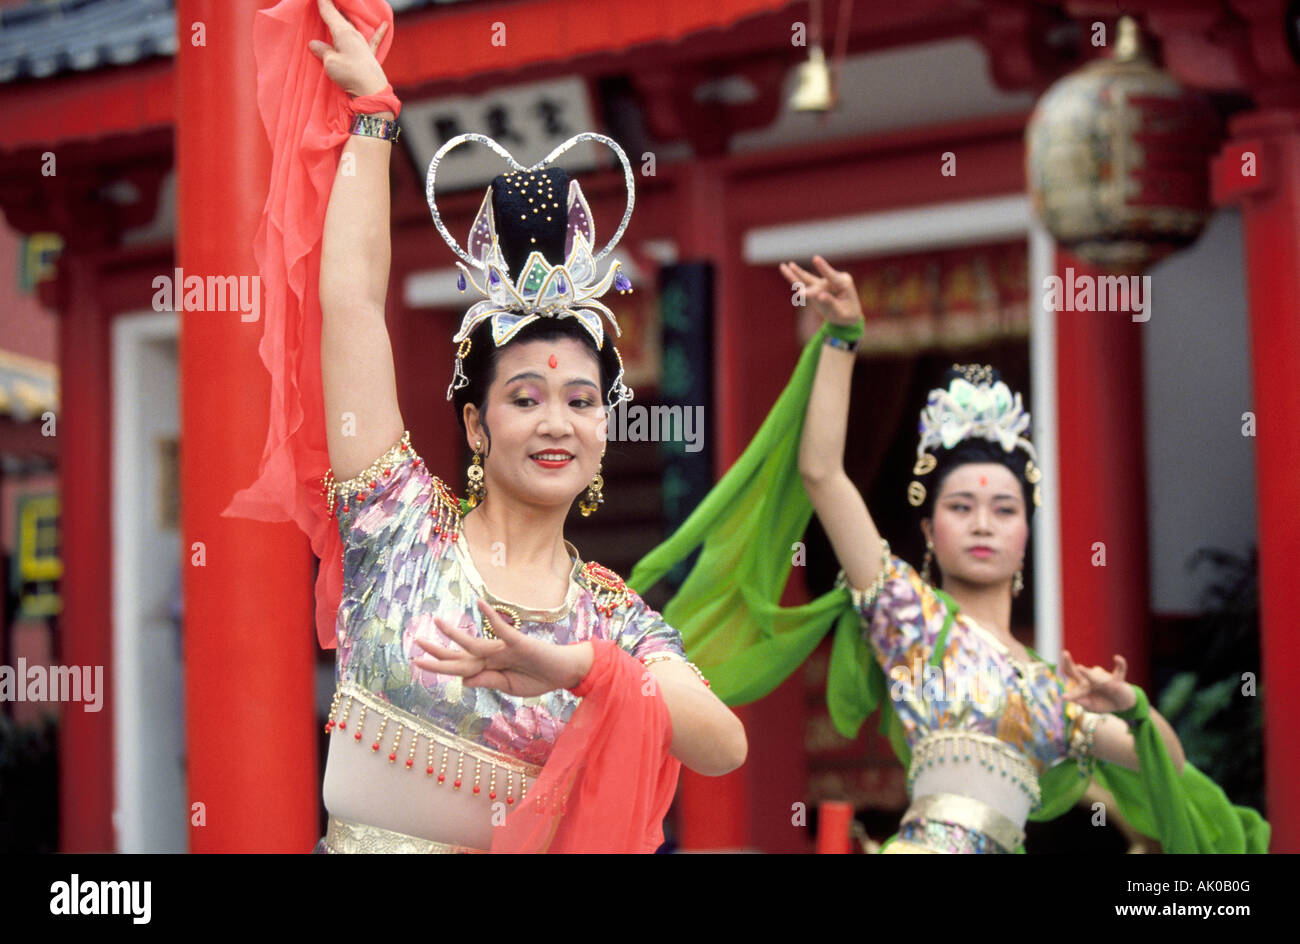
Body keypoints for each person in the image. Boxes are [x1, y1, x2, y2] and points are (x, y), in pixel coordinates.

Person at [236, 0, 745, 854]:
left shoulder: (611, 620)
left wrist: (577, 669)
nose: (559, 423)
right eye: (525, 399)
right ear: (475, 424)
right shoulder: (395, 524)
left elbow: (722, 745)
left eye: (583, 402)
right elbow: (352, 306)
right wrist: (370, 121)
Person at [628, 256, 1268, 853]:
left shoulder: (1054, 693)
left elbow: (1167, 765)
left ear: (1026, 534)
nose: (983, 523)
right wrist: (843, 339)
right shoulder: (911, 618)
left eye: (1004, 510)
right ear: (930, 530)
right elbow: (822, 473)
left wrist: (1131, 706)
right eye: (961, 507)